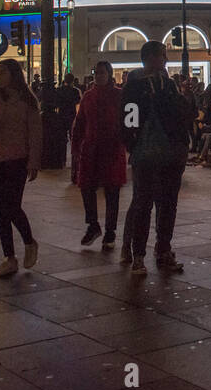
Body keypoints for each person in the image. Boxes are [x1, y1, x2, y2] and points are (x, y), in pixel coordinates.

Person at [120, 41, 195, 274]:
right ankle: (139, 255)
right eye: (163, 56)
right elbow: (128, 118)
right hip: (146, 151)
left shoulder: (168, 84)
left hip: (170, 151)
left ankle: (163, 250)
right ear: (151, 58)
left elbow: (181, 114)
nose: (166, 60)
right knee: (144, 203)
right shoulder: (135, 86)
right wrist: (134, 142)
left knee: (167, 203)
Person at [0, 58, 42, 276]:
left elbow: (34, 132)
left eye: (3, 72)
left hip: (17, 158)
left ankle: (29, 241)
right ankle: (9, 257)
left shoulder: (27, 101)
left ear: (14, 75)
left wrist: (34, 161)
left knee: (12, 206)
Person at [71, 61, 127, 249]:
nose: (98, 76)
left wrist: (126, 140)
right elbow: (80, 122)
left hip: (111, 148)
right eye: (96, 73)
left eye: (102, 73)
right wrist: (77, 145)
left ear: (109, 74)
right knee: (86, 187)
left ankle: (110, 231)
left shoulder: (119, 95)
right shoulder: (88, 96)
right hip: (92, 148)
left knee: (112, 191)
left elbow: (129, 119)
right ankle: (93, 224)